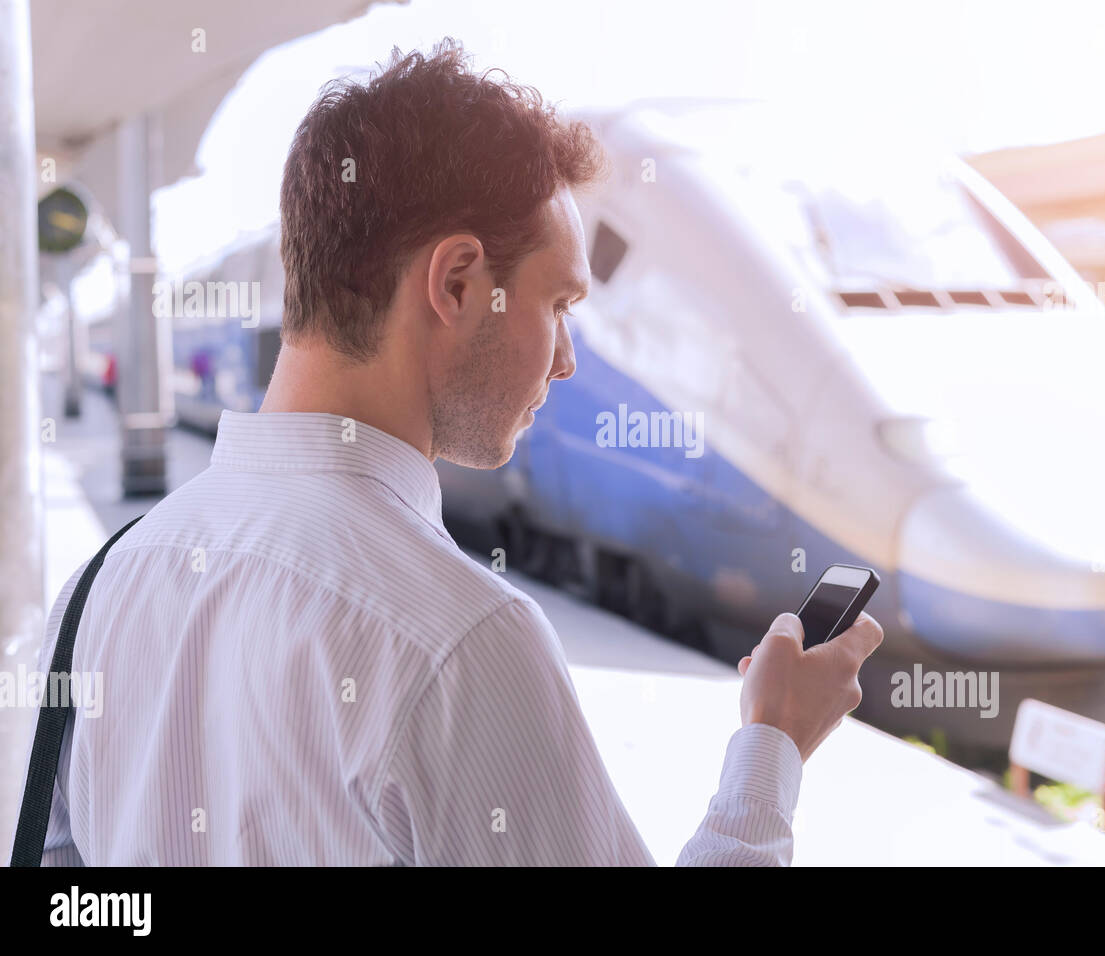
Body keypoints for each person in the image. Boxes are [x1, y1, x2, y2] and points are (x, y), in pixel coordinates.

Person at [31, 39, 883, 866]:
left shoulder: (96, 592)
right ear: (458, 283)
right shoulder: (460, 642)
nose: (565, 359)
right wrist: (770, 751)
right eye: (558, 304)